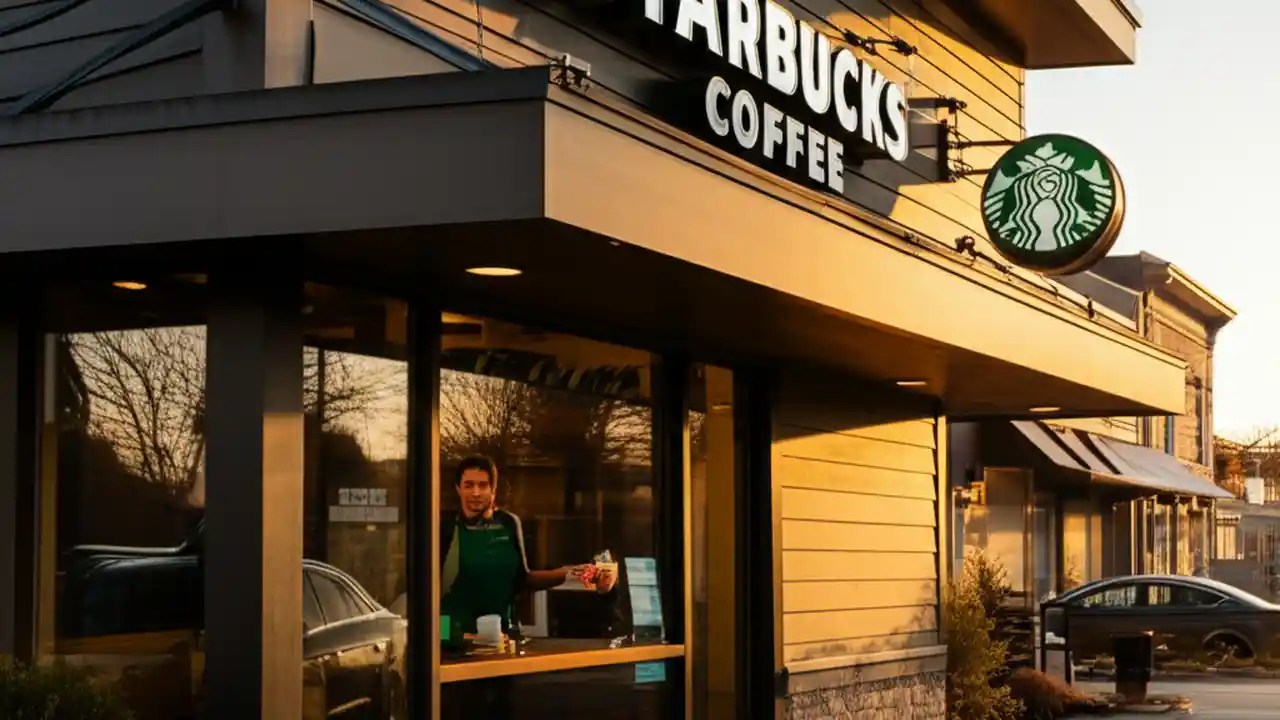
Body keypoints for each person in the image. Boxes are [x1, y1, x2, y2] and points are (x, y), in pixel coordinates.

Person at [440, 454, 585, 637]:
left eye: (483, 485)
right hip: (455, 638)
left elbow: (522, 580)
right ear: (458, 489)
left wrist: (570, 573)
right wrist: (443, 636)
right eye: (469, 485)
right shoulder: (445, 528)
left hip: (500, 638)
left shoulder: (508, 523)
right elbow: (429, 590)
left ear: (493, 490)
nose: (475, 492)